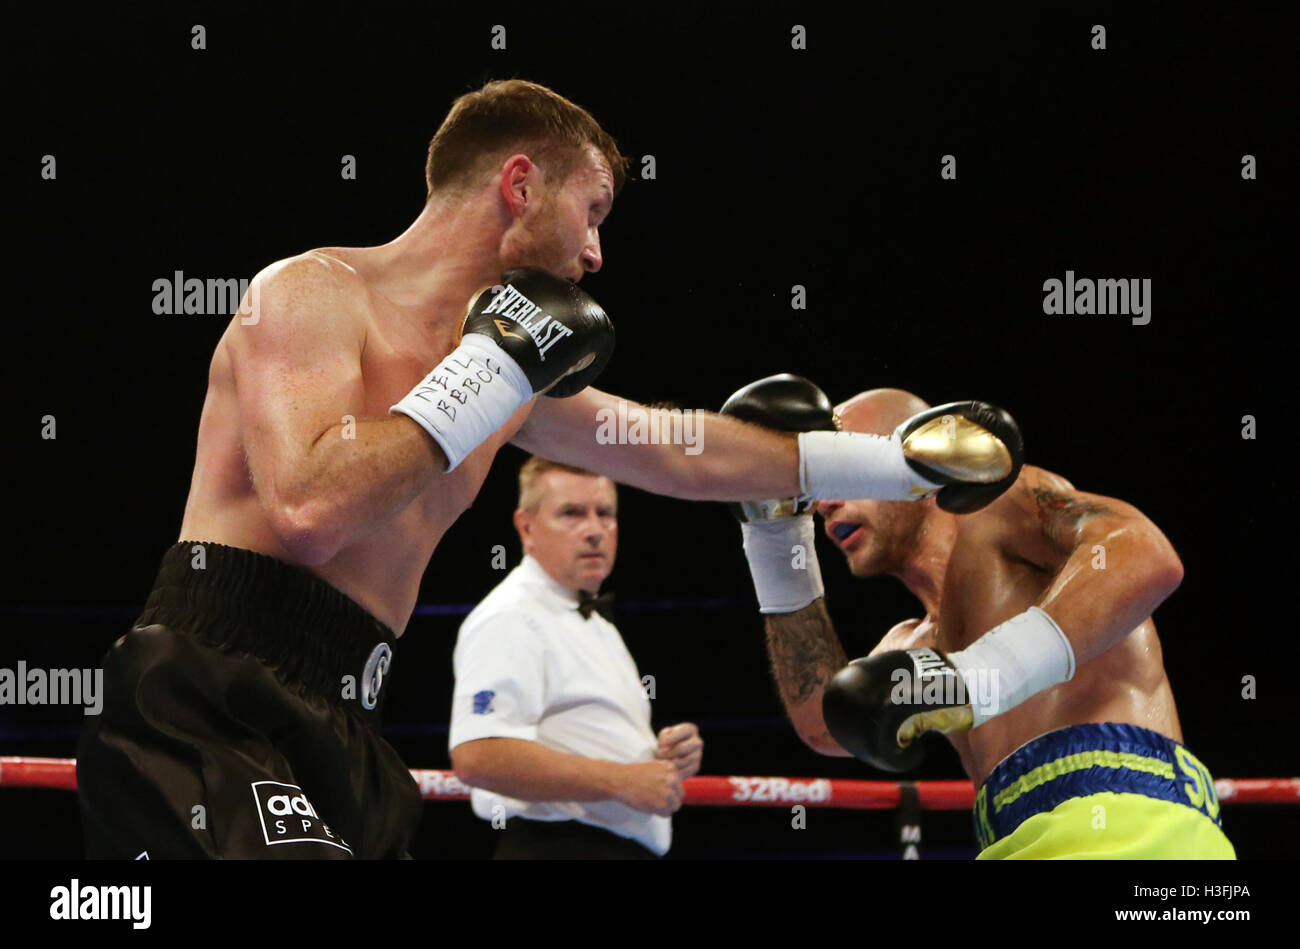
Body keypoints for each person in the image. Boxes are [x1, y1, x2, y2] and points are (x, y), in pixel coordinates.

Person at [77, 79, 1020, 859]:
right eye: (593, 209)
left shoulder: (508, 378)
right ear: (520, 182)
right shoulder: (314, 294)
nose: (597, 251)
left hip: (345, 715)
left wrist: (900, 463)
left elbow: (672, 448)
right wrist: (489, 371)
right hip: (211, 687)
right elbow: (310, 508)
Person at [724, 376, 1235, 859]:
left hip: (1133, 828)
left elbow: (1146, 556)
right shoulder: (915, 645)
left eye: (847, 469)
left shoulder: (1000, 510)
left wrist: (977, 677)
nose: (824, 503)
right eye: (818, 487)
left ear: (917, 457)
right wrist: (774, 536)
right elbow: (824, 725)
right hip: (1011, 840)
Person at [449, 457, 701, 859]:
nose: (595, 531)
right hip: (558, 847)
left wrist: (661, 755)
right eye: (572, 513)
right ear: (526, 528)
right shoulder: (512, 615)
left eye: (605, 514)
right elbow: (479, 756)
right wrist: (622, 780)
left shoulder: (593, 622)